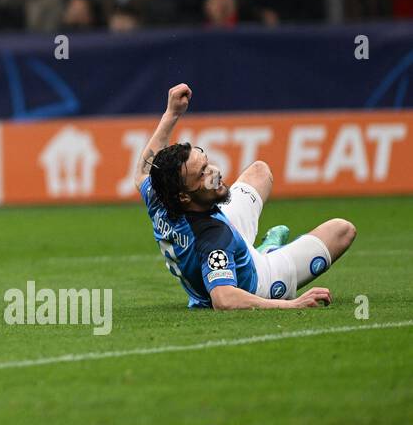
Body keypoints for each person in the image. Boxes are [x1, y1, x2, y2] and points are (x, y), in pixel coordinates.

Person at [134, 83, 355, 309]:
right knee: (342, 230)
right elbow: (224, 299)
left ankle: (251, 249)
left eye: (207, 162)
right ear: (184, 197)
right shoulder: (214, 239)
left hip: (216, 224)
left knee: (260, 170)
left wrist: (172, 113)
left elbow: (143, 171)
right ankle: (267, 252)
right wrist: (294, 304)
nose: (215, 172)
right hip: (259, 279)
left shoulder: (160, 196)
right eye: (203, 174)